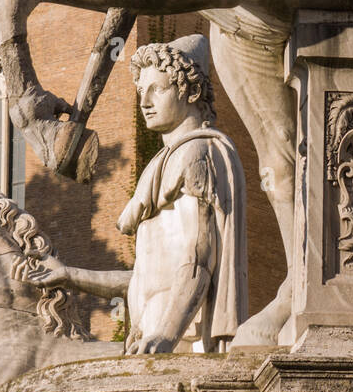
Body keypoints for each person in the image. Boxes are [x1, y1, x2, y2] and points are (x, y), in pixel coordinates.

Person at [20, 35, 248, 354]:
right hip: (155, 341)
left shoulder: (196, 153)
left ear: (193, 91)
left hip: (181, 343)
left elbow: (197, 259)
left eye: (157, 89)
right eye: (142, 91)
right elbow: (145, 280)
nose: (144, 102)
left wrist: (166, 336)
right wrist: (68, 275)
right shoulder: (164, 164)